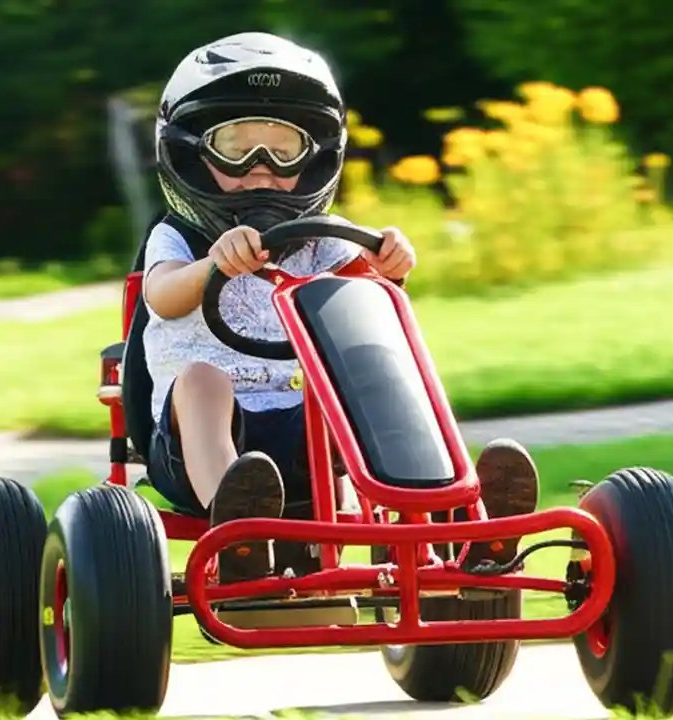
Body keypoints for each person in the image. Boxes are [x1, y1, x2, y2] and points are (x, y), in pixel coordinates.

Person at [140, 31, 540, 583]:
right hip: (198, 444)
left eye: (284, 150)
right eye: (236, 147)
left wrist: (388, 265)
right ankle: (237, 534)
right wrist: (214, 265)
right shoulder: (178, 237)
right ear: (191, 151)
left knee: (374, 374)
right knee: (203, 380)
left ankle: (465, 527)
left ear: (316, 157)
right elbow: (159, 294)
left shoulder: (325, 243)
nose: (261, 167)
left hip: (314, 440)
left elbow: (366, 302)